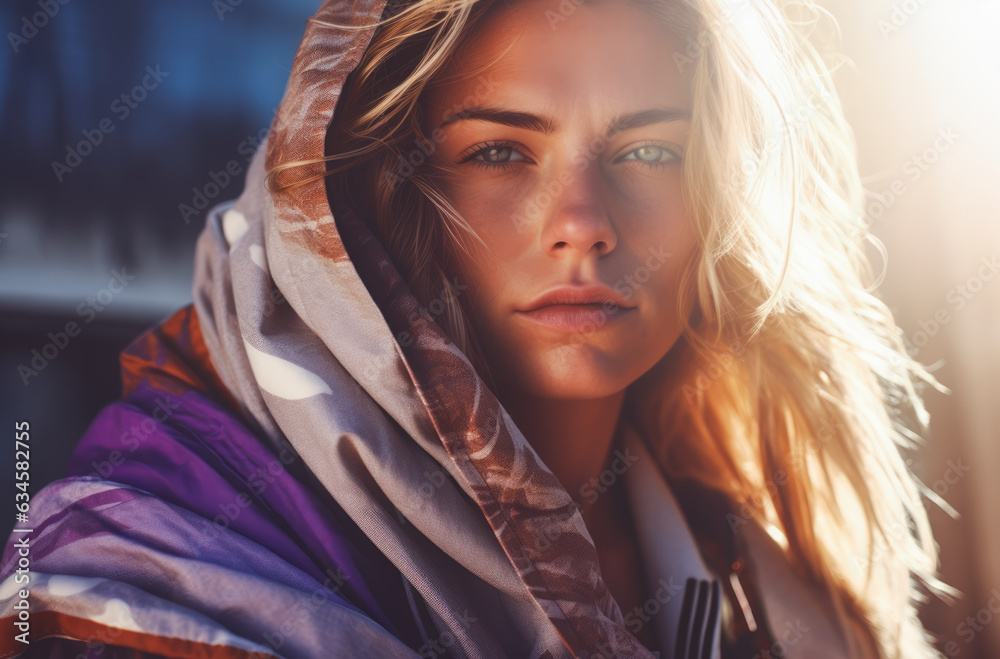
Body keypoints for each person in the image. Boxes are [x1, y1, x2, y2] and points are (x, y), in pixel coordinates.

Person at [0, 0, 956, 656]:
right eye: (500, 151)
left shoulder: (776, 580)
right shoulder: (146, 575)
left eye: (650, 149)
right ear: (371, 199)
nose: (583, 218)